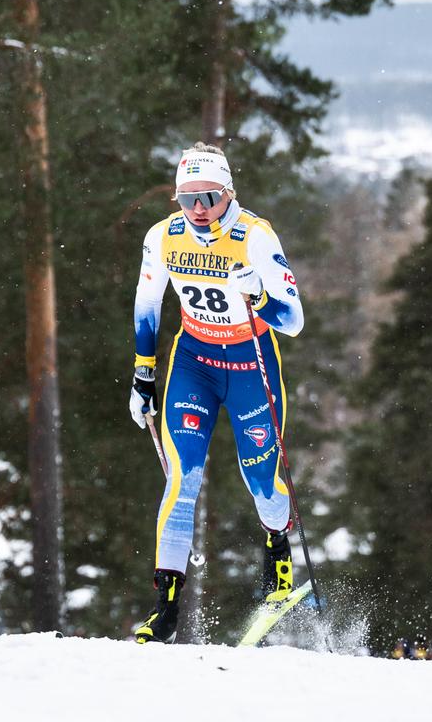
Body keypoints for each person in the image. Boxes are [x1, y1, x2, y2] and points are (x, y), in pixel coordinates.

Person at [128, 142, 305, 644]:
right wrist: (143, 375)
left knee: (262, 484)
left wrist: (259, 296)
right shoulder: (162, 238)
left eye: (208, 197)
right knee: (182, 481)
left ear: (229, 193)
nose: (199, 209)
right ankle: (164, 612)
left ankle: (277, 546)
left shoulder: (255, 236)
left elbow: (293, 321)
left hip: (251, 364)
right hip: (195, 364)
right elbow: (146, 305)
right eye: (187, 199)